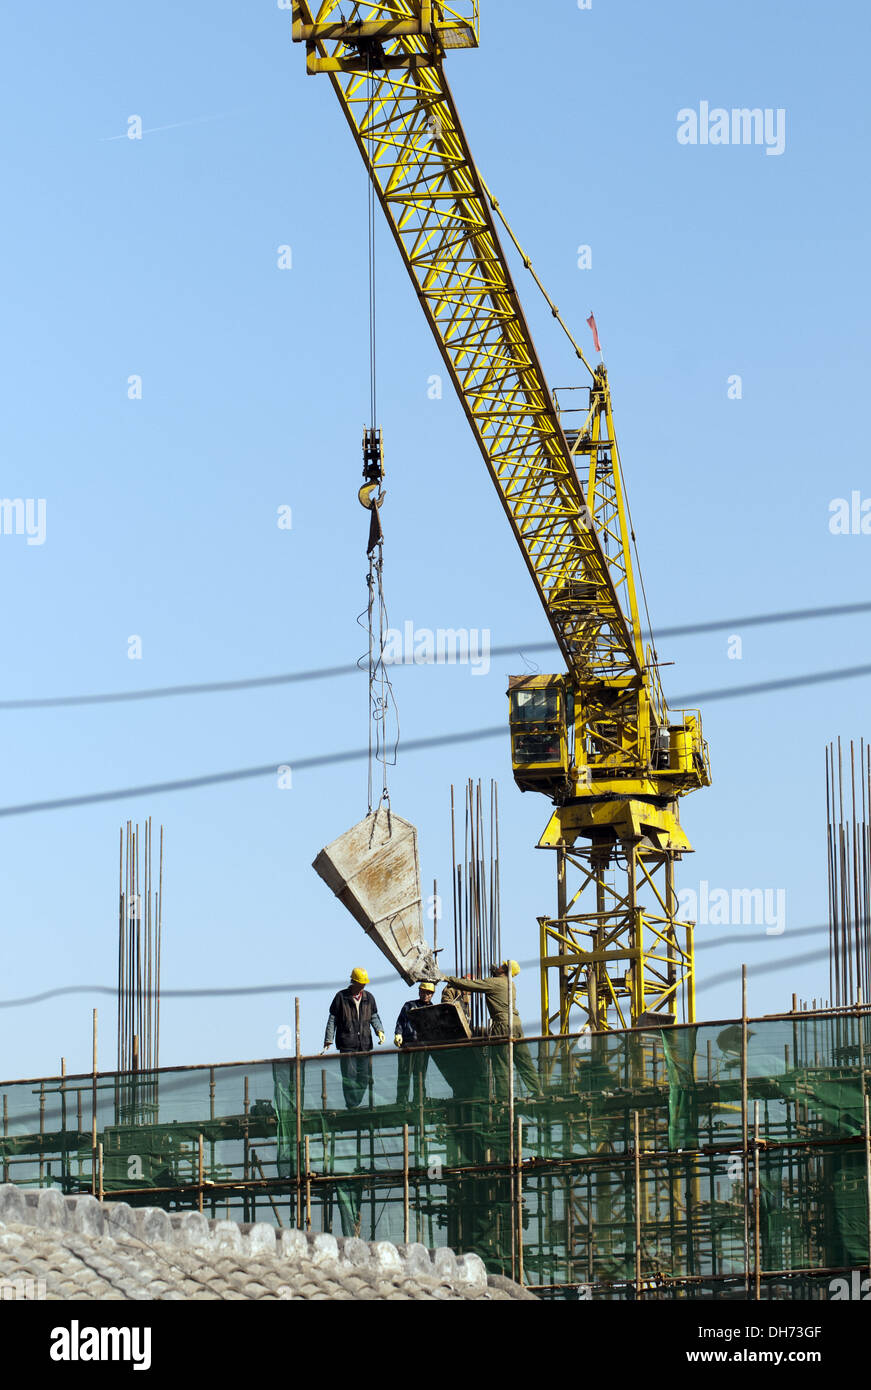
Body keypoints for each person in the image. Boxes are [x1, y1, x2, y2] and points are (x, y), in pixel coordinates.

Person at [439, 960, 541, 1096]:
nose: (497, 966)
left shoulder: (495, 983)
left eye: (500, 966)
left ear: (504, 970)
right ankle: (537, 1090)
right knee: (523, 1060)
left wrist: (448, 978)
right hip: (516, 1024)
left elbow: (471, 985)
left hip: (502, 1025)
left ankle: (503, 1098)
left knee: (501, 1062)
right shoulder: (511, 984)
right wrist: (495, 974)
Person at [323, 967, 385, 1109]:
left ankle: (355, 1102)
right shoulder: (341, 997)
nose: (363, 986)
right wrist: (328, 1039)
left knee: (364, 1077)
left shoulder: (369, 998)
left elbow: (374, 1016)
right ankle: (352, 1105)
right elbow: (332, 1019)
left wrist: (379, 1031)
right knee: (349, 1077)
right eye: (360, 983)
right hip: (347, 1044)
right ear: (354, 981)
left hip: (365, 1044)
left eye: (364, 983)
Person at [393, 981, 436, 1104]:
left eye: (428, 993)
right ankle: (402, 1101)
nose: (425, 995)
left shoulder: (432, 1009)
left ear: (432, 994)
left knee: (420, 1075)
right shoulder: (409, 1006)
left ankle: (419, 1100)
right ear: (419, 992)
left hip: (423, 1046)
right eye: (423, 992)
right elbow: (401, 1021)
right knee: (404, 1074)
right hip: (408, 1044)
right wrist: (398, 1033)